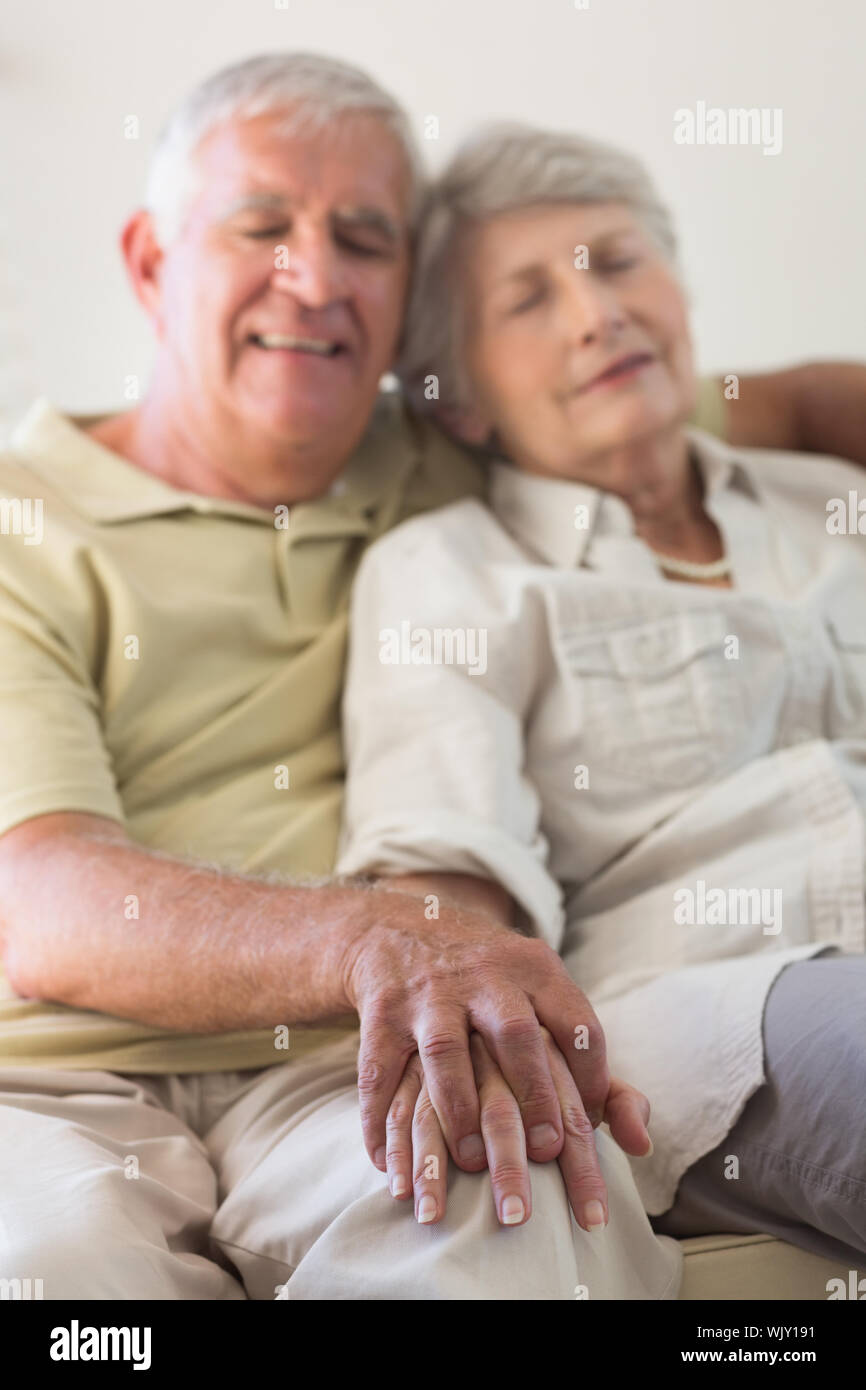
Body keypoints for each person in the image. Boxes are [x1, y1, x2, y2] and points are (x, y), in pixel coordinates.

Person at [0, 55, 862, 1300]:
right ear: (150, 260)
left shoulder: (477, 437)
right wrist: (379, 936)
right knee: (54, 1279)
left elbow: (778, 405)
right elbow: (44, 903)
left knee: (505, 1204)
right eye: (261, 226)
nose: (313, 275)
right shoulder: (26, 524)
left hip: (339, 1064)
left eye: (362, 237)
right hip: (63, 1076)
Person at [337, 121, 866, 1272]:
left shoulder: (834, 494)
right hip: (718, 996)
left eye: (617, 261)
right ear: (459, 403)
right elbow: (445, 856)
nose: (595, 312)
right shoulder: (451, 568)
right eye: (526, 301)